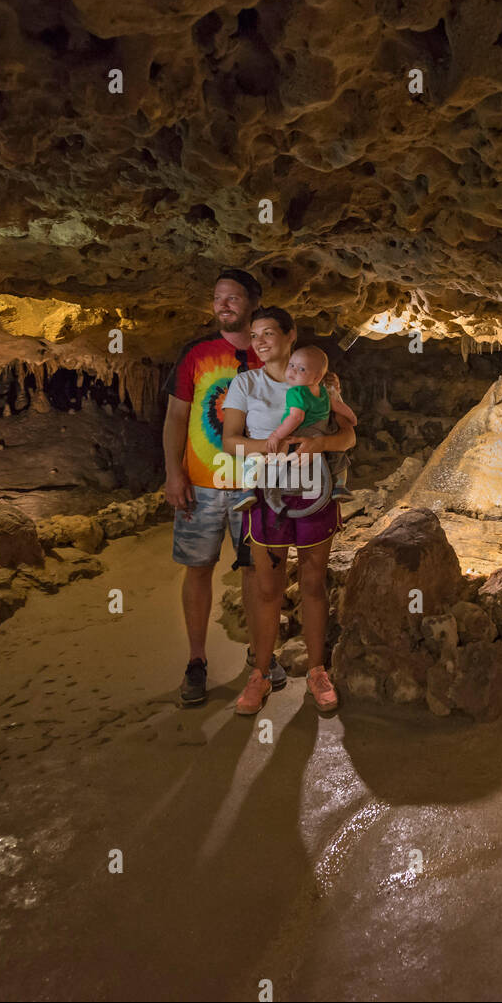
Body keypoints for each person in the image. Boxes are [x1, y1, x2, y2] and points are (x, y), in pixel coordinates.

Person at [221, 308, 356, 715]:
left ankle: (317, 671)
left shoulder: (321, 383)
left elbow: (348, 434)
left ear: (290, 334)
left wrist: (318, 445)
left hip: (315, 490)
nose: (259, 341)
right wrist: (273, 447)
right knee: (268, 587)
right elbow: (230, 442)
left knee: (314, 583)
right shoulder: (245, 383)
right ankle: (260, 674)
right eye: (254, 334)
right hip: (268, 493)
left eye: (268, 333)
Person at [161, 268, 286, 705]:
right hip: (201, 485)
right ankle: (197, 662)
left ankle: (261, 655)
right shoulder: (197, 354)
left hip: (256, 486)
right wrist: (173, 473)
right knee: (198, 567)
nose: (223, 305)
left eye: (233, 298)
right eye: (218, 298)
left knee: (256, 570)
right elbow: (177, 416)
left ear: (252, 303)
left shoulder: (268, 355)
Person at [232, 343, 357, 513]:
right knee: (338, 457)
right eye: (291, 366)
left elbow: (296, 417)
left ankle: (247, 490)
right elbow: (338, 407)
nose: (293, 371)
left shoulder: (296, 392)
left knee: (254, 459)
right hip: (319, 435)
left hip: (296, 435)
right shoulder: (323, 392)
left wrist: (276, 435)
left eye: (301, 369)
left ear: (316, 376)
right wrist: (353, 418)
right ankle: (340, 485)